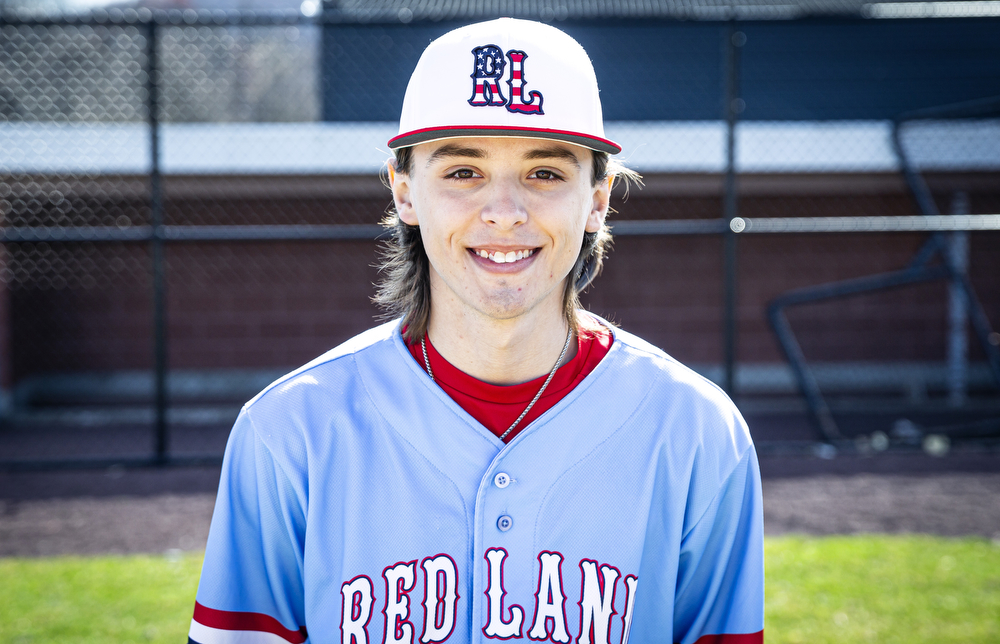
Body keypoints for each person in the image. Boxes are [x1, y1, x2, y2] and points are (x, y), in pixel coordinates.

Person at [188, 18, 763, 644]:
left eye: (545, 173)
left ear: (597, 201)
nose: (504, 213)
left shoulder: (696, 432)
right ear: (405, 193)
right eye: (463, 171)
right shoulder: (289, 431)